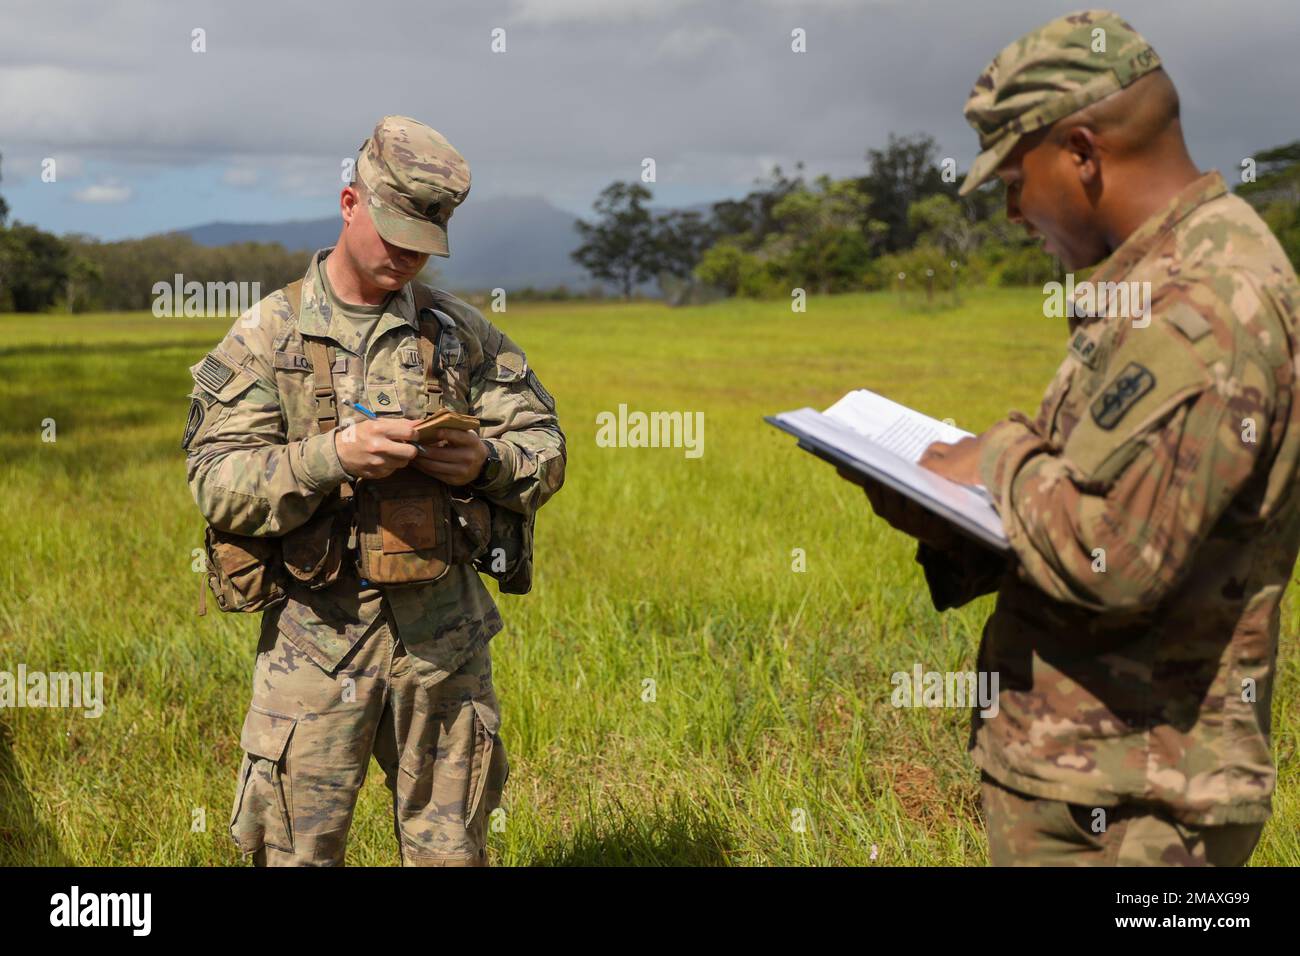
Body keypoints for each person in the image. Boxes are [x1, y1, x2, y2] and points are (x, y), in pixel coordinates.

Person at [845, 10, 1300, 865]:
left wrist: (999, 455)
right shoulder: (1161, 278)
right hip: (1098, 778)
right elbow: (1099, 497)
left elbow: (1116, 556)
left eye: (1016, 180)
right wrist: (938, 510)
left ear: (1084, 153)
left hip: (1142, 807)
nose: (1014, 212)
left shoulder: (1209, 303)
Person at [184, 115, 566, 866]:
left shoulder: (463, 335)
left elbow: (546, 448)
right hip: (314, 645)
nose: (407, 256)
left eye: (425, 242)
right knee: (295, 852)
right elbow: (215, 482)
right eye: (393, 230)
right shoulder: (268, 334)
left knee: (452, 850)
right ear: (349, 203)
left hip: (444, 645)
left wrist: (485, 460)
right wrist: (332, 457)